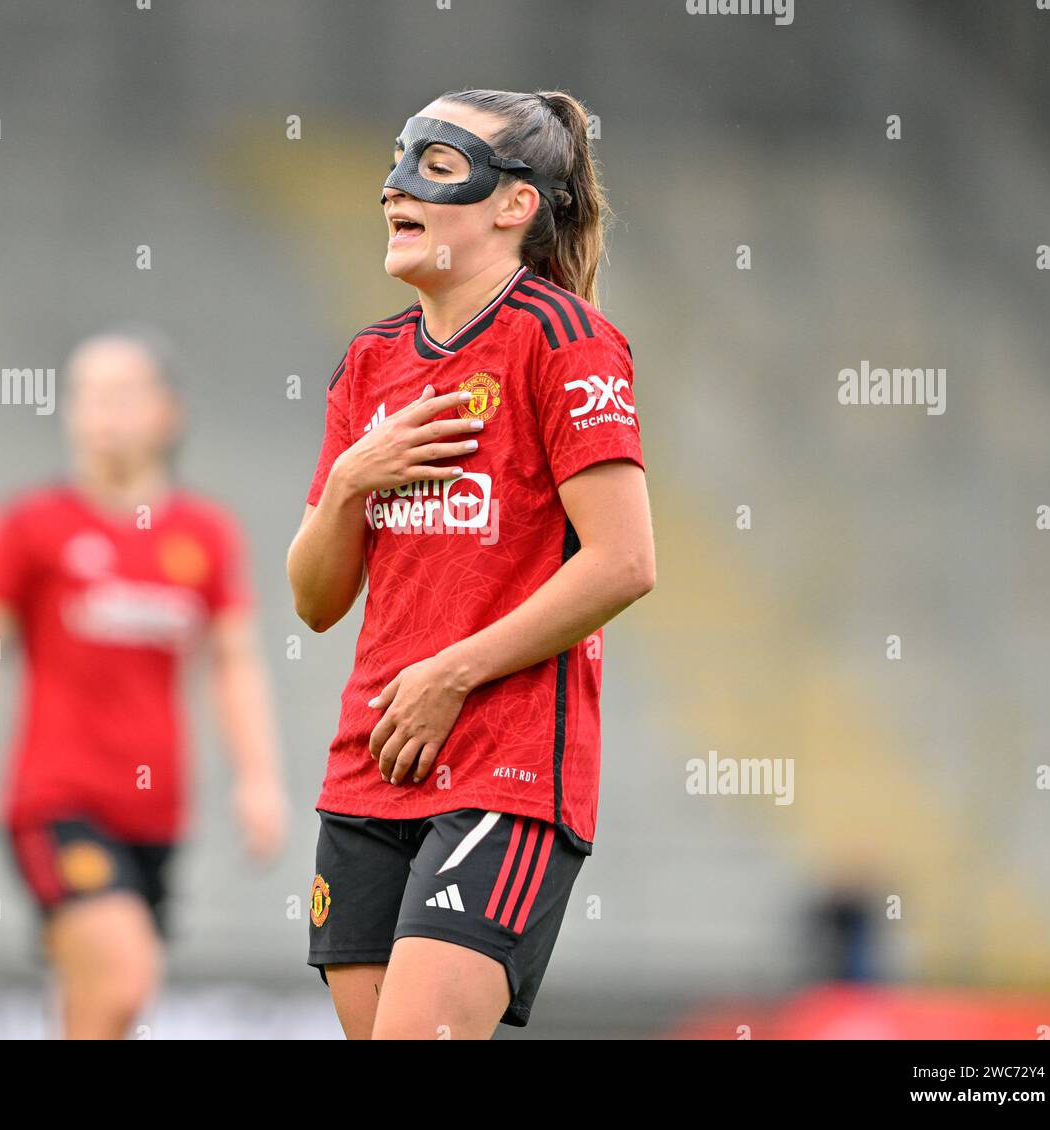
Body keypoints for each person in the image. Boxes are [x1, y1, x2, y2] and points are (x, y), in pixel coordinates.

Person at [288, 89, 655, 1039]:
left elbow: (623, 563)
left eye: (437, 164)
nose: (394, 187)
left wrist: (452, 675)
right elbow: (316, 601)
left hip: (506, 772)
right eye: (398, 158)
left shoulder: (565, 341)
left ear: (514, 204)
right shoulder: (367, 364)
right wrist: (349, 485)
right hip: (370, 770)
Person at [0, 328, 288, 1039]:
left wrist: (259, 779)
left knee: (99, 1010)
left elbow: (233, 662)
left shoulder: (205, 535)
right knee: (124, 978)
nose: (100, 414)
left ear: (167, 413)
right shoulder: (28, 527)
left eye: (121, 395)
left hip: (157, 816)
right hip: (57, 803)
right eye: (86, 396)